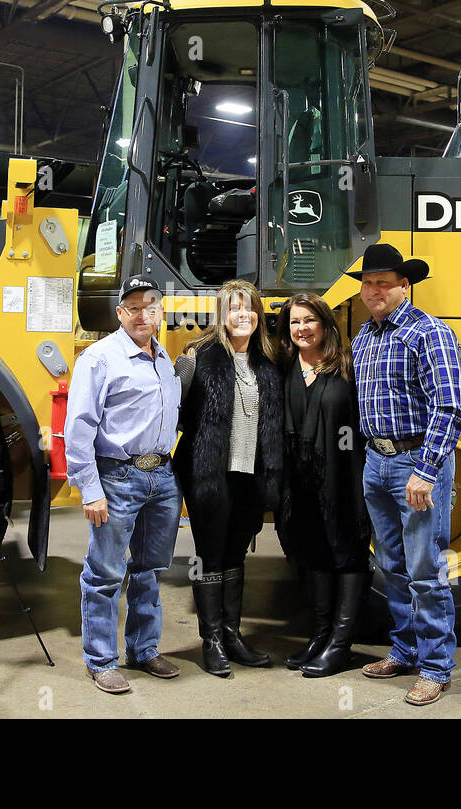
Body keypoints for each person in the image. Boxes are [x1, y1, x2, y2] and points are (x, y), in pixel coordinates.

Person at [348, 243, 461, 707]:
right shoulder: (364, 338)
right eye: (368, 283)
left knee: (425, 570)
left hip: (415, 464)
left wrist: (427, 470)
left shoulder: (428, 333)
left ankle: (436, 667)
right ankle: (405, 649)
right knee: (392, 565)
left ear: (404, 285)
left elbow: (449, 404)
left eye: (384, 283)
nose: (374, 290)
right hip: (376, 463)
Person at [65, 274, 183, 695]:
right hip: (118, 477)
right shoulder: (99, 358)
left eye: (151, 306)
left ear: (160, 312)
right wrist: (90, 489)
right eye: (133, 307)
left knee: (149, 570)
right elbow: (78, 427)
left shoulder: (164, 358)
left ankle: (144, 649)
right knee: (104, 573)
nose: (142, 314)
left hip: (161, 477)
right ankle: (100, 661)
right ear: (120, 313)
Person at [174, 280, 284, 677]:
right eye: (234, 307)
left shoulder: (268, 363)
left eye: (250, 307)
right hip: (209, 474)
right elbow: (175, 415)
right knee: (210, 554)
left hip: (250, 476)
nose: (243, 314)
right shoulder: (198, 358)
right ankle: (212, 640)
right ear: (222, 315)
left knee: (236, 553)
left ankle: (233, 634)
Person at [275, 293, 371, 677]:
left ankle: (341, 644)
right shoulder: (286, 365)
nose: (302, 328)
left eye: (309, 320)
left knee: (347, 551)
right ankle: (319, 636)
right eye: (295, 322)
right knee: (312, 552)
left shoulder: (346, 365)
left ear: (325, 324)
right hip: (300, 480)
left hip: (343, 474)